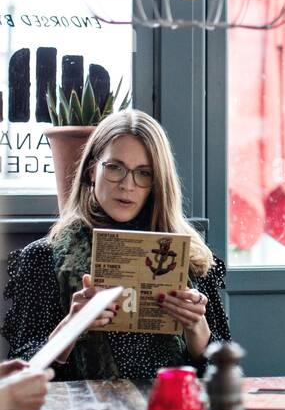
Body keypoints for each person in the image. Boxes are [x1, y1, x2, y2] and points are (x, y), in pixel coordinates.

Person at [2, 109, 230, 382]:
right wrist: (70, 328)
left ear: (157, 184)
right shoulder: (43, 257)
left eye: (144, 173)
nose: (127, 185)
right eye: (114, 168)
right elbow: (19, 376)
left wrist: (197, 328)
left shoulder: (191, 259)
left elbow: (229, 372)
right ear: (91, 171)